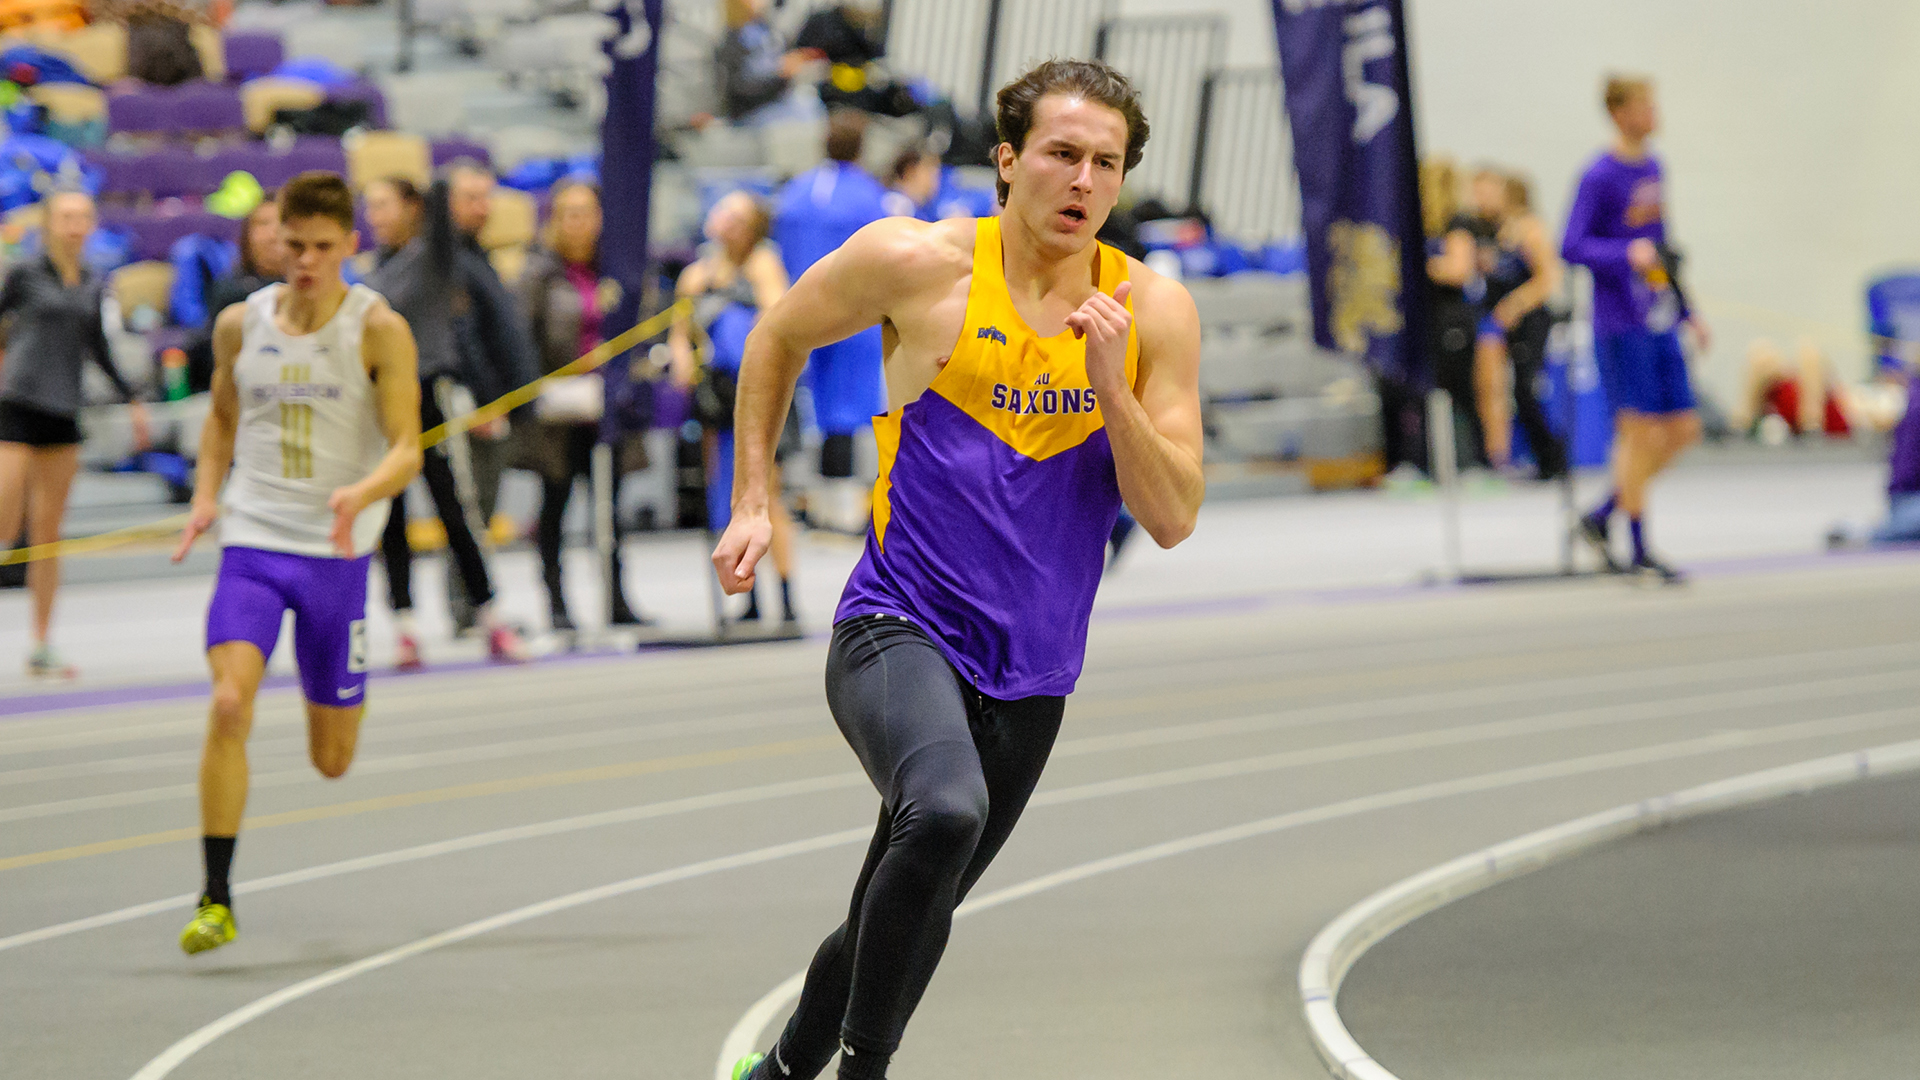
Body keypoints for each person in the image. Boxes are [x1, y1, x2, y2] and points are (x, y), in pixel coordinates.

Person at [719, 58, 1202, 1080]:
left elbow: (1171, 518)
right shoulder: (919, 262)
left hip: (1032, 671)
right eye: (1062, 154)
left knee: (906, 898)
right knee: (943, 812)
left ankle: (783, 1068)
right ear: (1008, 160)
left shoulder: (1151, 315)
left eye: (1105, 164)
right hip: (897, 625)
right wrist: (754, 498)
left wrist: (1112, 387)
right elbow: (777, 337)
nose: (1082, 181)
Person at [170, 172, 424, 955]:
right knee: (227, 705)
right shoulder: (239, 325)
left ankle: (344, 687)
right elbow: (219, 419)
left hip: (334, 555)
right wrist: (206, 496)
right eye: (294, 245)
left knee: (332, 759)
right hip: (252, 540)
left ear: (350, 243)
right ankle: (216, 896)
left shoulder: (378, 329)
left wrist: (361, 492)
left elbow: (409, 450)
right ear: (275, 239)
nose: (306, 261)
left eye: (322, 247)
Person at [363, 175, 529, 666]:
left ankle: (490, 618)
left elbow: (440, 208)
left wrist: (433, 179)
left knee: (454, 512)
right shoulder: (376, 268)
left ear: (412, 208)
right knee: (389, 520)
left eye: (383, 204)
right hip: (380, 404)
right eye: (369, 207)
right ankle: (405, 626)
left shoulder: (432, 255)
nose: (374, 216)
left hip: (428, 394)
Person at [1563, 75, 1710, 581]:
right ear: (1619, 112)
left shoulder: (1653, 168)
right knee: (1639, 433)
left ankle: (1602, 514)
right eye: (1644, 105)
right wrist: (1624, 252)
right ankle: (1639, 546)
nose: (1653, 114)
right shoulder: (1598, 176)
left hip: (1658, 316)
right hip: (1620, 321)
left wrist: (1689, 310)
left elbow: (1664, 249)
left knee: (1683, 429)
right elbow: (1573, 245)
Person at [0, 189, 152, 678]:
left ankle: (42, 644)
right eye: (65, 216)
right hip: (16, 405)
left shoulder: (93, 281)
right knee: (4, 525)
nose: (74, 225)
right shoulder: (24, 273)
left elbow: (100, 347)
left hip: (64, 411)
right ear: (48, 223)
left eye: (83, 217)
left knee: (47, 538)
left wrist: (131, 399)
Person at [514, 178, 649, 631]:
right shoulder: (538, 271)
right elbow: (522, 340)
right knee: (555, 504)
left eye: (587, 212)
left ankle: (617, 599)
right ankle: (556, 602)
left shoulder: (614, 270)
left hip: (606, 408)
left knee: (610, 508)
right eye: (568, 212)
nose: (578, 222)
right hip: (557, 411)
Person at [669, 190, 800, 625]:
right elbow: (679, 330)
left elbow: (775, 319)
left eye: (735, 213)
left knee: (766, 495)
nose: (723, 217)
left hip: (761, 392)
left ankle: (785, 594)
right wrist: (684, 360)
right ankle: (749, 593)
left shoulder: (763, 264)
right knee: (725, 492)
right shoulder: (696, 274)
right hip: (718, 395)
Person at [771, 109, 889, 532]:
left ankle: (812, 497)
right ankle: (840, 505)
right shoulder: (871, 197)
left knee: (808, 402)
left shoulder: (793, 194)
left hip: (801, 310)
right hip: (855, 317)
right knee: (848, 407)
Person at [445, 161, 541, 635]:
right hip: (478, 405)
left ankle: (471, 602)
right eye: (471, 198)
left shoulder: (474, 254)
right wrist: (485, 401)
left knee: (481, 507)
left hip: (499, 400)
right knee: (472, 508)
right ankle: (469, 606)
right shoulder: (447, 260)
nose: (482, 208)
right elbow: (463, 338)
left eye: (487, 198)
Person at [1469, 170, 1565, 479]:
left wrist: (1515, 304)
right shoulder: (1498, 231)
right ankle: (1508, 457)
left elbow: (1548, 279)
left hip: (1528, 318)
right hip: (1501, 319)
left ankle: (1552, 459)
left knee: (1526, 389)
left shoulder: (1531, 229)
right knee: (1500, 390)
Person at [186, 197, 287, 394]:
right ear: (247, 235)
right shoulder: (229, 290)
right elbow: (211, 354)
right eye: (263, 224)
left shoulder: (309, 289)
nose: (273, 233)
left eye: (282, 222)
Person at [1422, 157, 1484, 468]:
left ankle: (1477, 462)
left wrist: (1419, 268)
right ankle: (1430, 461)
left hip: (1453, 316)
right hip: (1430, 316)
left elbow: (1460, 270)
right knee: (1427, 391)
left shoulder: (1456, 224)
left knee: (1461, 390)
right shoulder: (1424, 225)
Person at [714, 0, 823, 124]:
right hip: (754, 114)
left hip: (783, 103)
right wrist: (780, 74)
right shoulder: (733, 40)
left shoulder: (769, 30)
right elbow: (738, 91)